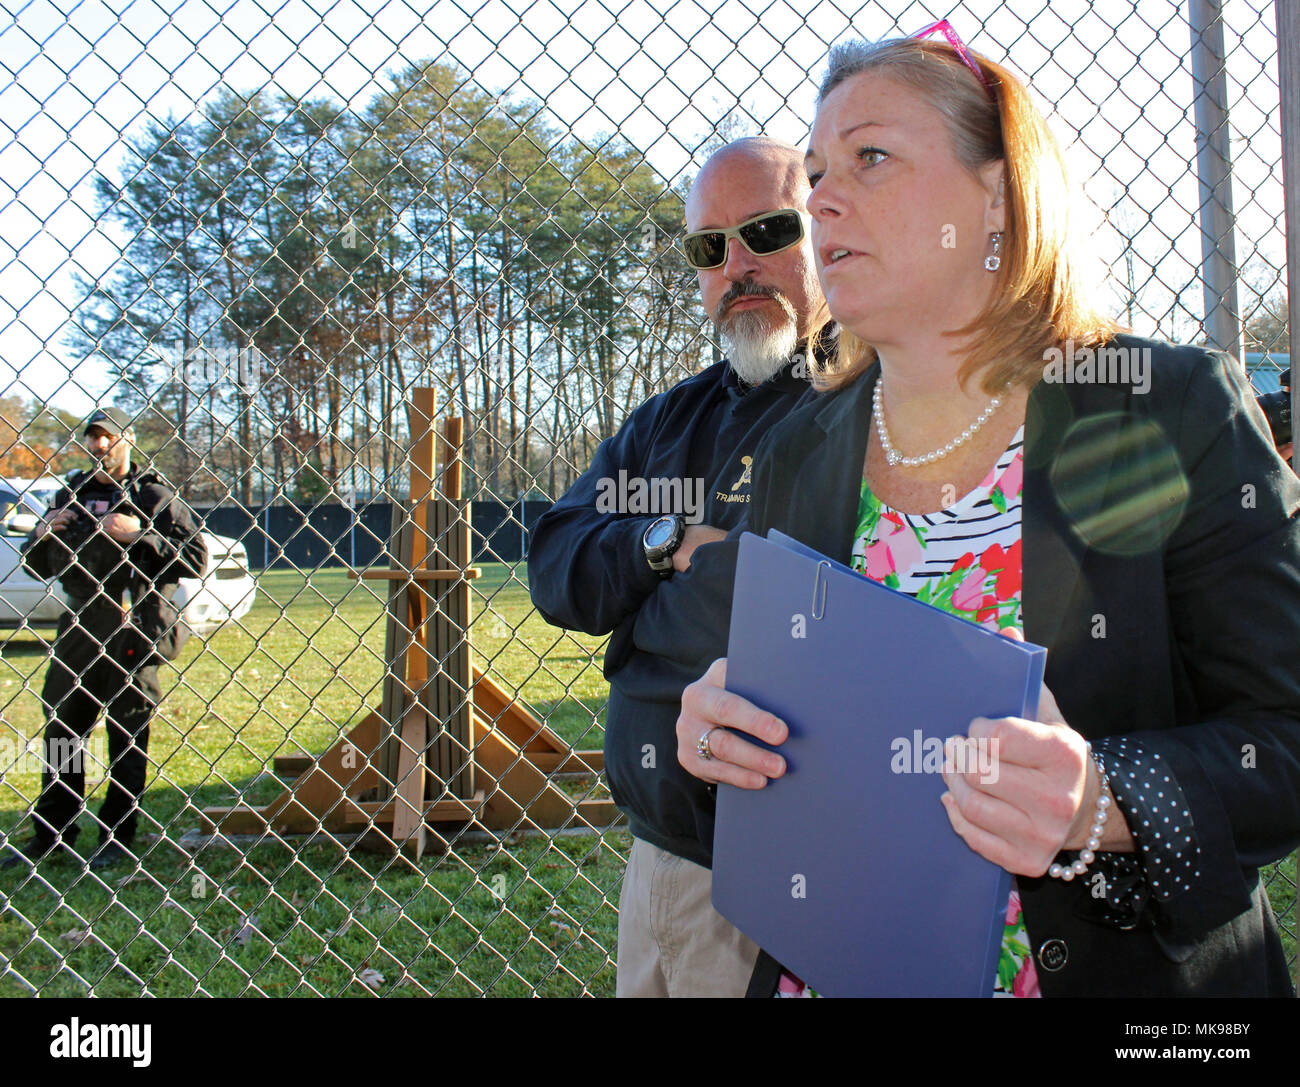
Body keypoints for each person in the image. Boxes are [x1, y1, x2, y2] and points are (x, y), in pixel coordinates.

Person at [676, 28, 1300, 997]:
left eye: (869, 156)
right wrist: (722, 735)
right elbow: (785, 742)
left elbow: (1284, 733)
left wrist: (1108, 799)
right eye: (814, 171)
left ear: (999, 197)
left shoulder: (1164, 409)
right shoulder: (800, 447)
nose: (820, 198)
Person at [528, 137, 828, 996]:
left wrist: (630, 632)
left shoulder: (856, 401)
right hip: (651, 861)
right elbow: (554, 562)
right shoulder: (669, 421)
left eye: (766, 231)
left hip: (774, 876)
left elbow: (768, 608)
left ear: (824, 228)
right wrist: (666, 542)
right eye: (709, 246)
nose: (736, 264)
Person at [2, 406, 207, 872]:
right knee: (62, 730)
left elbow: (194, 558)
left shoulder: (154, 495)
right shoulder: (70, 493)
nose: (99, 447)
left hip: (131, 628)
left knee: (126, 735)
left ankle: (117, 836)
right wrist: (39, 533)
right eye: (92, 439)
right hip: (78, 630)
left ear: (127, 440)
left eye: (108, 438)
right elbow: (38, 564)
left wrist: (142, 535)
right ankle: (52, 833)